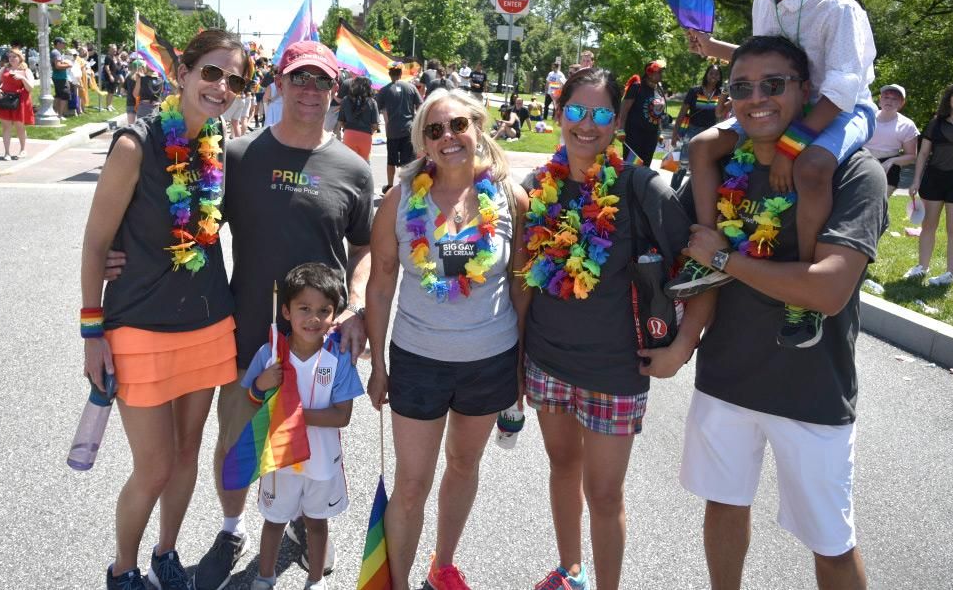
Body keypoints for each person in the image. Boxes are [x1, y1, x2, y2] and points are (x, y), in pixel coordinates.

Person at [655, 35, 886, 590]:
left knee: (830, 541)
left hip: (811, 390)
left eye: (774, 84)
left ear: (807, 91)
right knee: (724, 505)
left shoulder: (851, 172)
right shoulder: (719, 167)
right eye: (742, 87)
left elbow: (827, 291)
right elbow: (690, 262)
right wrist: (682, 343)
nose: (757, 98)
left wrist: (724, 258)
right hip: (725, 379)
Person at [183, 40, 373, 590]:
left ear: (334, 92)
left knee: (312, 439)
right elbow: (192, 226)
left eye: (321, 81)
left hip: (319, 338)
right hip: (250, 329)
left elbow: (362, 249)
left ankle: (302, 518)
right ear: (280, 84)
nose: (310, 90)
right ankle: (232, 529)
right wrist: (126, 254)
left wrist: (356, 305)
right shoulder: (239, 156)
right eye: (299, 79)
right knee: (238, 439)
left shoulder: (354, 168)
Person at [519, 67, 705, 590]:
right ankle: (569, 570)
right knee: (561, 467)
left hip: (616, 371)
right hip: (546, 361)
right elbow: (522, 281)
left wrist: (682, 347)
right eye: (576, 111)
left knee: (603, 494)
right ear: (560, 113)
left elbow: (700, 268)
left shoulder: (641, 186)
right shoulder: (537, 187)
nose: (587, 125)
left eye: (600, 113)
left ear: (617, 121)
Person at [678, 0, 878, 349]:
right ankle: (706, 252)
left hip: (840, 108)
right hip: (784, 103)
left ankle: (804, 287)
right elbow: (763, 58)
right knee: (702, 146)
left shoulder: (838, 6)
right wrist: (712, 47)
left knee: (811, 166)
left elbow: (843, 86)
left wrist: (792, 144)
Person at [82, 30, 246, 590]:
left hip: (207, 323)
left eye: (234, 80)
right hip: (139, 325)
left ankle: (166, 553)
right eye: (212, 73)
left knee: (186, 455)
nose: (221, 87)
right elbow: (94, 243)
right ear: (183, 72)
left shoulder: (216, 142)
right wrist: (91, 331)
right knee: (153, 465)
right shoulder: (136, 144)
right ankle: (122, 570)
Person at [366, 88, 528, 590]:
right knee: (412, 484)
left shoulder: (510, 198)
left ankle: (443, 566)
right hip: (418, 361)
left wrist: (520, 363)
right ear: (423, 143)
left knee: (463, 463)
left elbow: (521, 284)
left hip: (490, 360)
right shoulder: (400, 200)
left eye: (458, 125)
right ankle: (397, 583)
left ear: (477, 127)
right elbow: (381, 283)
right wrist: (378, 364)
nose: (449, 137)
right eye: (435, 130)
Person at [243, 263, 364, 590]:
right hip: (279, 460)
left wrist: (293, 414)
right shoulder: (270, 353)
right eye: (304, 308)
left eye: (324, 310)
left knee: (316, 523)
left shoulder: (339, 357)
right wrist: (261, 384)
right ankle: (265, 577)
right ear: (286, 311)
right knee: (274, 522)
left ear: (335, 314)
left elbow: (342, 416)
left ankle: (315, 579)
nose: (314, 318)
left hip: (321, 461)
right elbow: (253, 401)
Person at [904, 82, 953, 286]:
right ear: (949, 97)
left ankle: (949, 274)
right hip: (933, 180)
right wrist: (916, 180)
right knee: (928, 226)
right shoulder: (935, 123)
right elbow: (923, 154)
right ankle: (922, 267)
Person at [376, 62, 424, 193]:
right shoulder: (411, 88)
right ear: (401, 74)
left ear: (389, 74)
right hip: (408, 129)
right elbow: (421, 106)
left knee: (391, 160)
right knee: (407, 161)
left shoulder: (384, 90)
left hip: (392, 131)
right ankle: (406, 185)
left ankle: (390, 186)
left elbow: (376, 108)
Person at [864, 84, 918, 197]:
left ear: (901, 103)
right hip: (862, 160)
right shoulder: (866, 117)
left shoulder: (907, 125)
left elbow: (911, 156)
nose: (889, 101)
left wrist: (891, 161)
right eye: (886, 97)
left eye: (894, 99)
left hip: (889, 167)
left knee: (877, 202)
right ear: (880, 100)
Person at [617, 60, 668, 165]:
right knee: (632, 166)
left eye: (662, 72)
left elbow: (658, 113)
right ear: (649, 73)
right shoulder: (637, 87)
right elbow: (624, 110)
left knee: (645, 166)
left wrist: (660, 132)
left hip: (651, 136)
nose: (661, 75)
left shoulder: (659, 89)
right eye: (659, 72)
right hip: (634, 135)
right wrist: (620, 130)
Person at [0, 49, 36, 160]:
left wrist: (22, 78)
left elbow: (30, 88)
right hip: (5, 100)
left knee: (19, 126)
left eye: (14, 56)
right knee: (6, 127)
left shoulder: (26, 71)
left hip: (19, 101)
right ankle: (7, 153)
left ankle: (23, 150)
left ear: (20, 58)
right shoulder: (4, 69)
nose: (11, 59)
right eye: (10, 57)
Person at [671, 63, 724, 149]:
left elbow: (722, 115)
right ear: (706, 75)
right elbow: (682, 113)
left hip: (710, 133)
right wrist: (674, 134)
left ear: (719, 77)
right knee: (688, 156)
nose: (713, 76)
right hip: (692, 131)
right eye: (711, 73)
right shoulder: (694, 91)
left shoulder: (721, 94)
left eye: (717, 74)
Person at [338, 75, 379, 161]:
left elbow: (340, 122)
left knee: (349, 163)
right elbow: (375, 125)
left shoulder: (345, 100)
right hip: (365, 136)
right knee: (364, 163)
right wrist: (368, 132)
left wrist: (348, 129)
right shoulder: (372, 102)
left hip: (349, 134)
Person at [50, 37, 73, 118]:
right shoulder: (56, 53)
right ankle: (60, 114)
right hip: (60, 77)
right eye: (63, 43)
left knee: (59, 95)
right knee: (65, 95)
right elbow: (58, 66)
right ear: (58, 43)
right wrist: (68, 65)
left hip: (59, 77)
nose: (64, 45)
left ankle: (55, 113)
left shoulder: (56, 52)